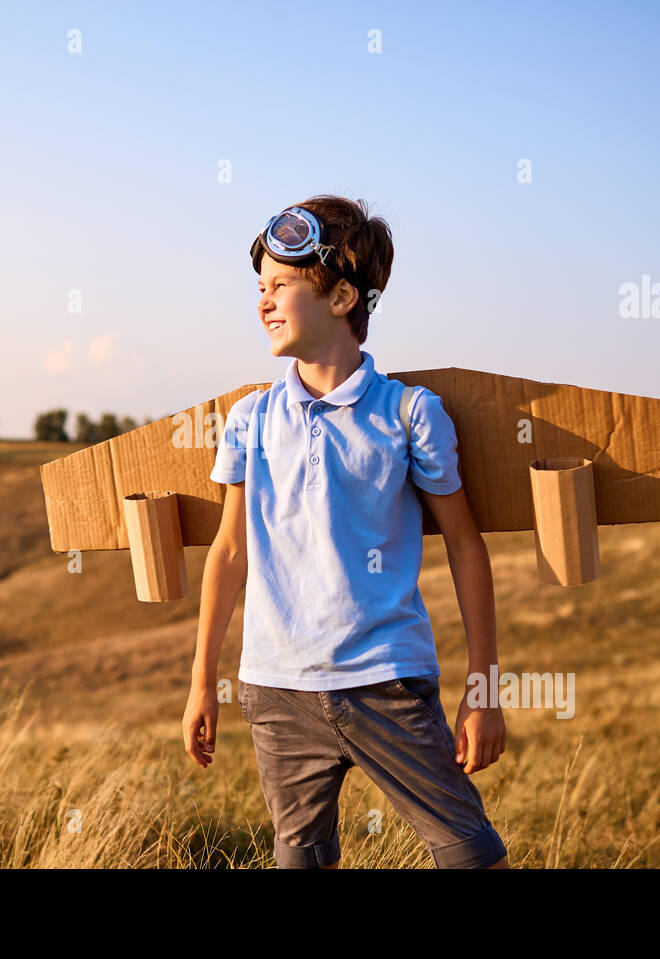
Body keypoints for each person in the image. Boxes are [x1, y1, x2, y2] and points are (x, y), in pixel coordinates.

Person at [182, 195, 510, 869]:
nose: (263, 303)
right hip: (274, 689)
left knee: (471, 856)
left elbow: (466, 546)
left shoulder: (411, 414)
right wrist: (200, 682)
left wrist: (484, 690)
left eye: (279, 286)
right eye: (259, 288)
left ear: (340, 297)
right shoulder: (249, 418)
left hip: (386, 680)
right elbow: (230, 551)